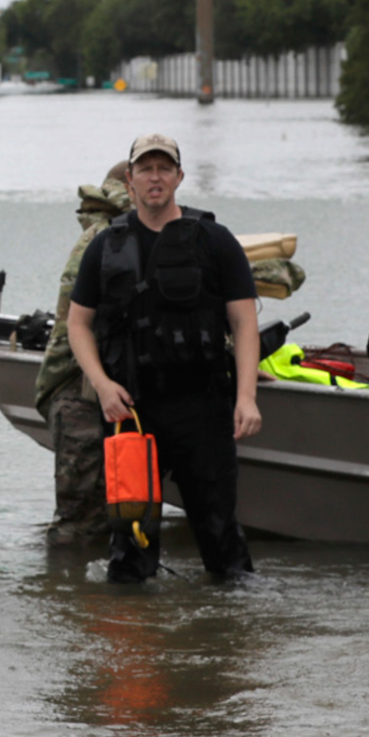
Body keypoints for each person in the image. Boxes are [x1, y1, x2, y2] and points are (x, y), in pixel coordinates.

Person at [66, 133, 261, 583]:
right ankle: (134, 641)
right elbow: (78, 325)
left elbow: (244, 323)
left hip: (204, 407)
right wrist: (100, 384)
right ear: (130, 180)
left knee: (221, 539)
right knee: (131, 541)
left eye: (164, 168)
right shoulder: (105, 246)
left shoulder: (214, 241)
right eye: (146, 169)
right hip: (131, 411)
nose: (155, 177)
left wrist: (246, 397)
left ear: (179, 177)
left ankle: (231, 639)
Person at [33, 162, 130, 547]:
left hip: (99, 393)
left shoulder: (114, 236)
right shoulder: (102, 240)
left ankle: (83, 600)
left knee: (116, 514)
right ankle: (69, 598)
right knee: (82, 525)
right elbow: (74, 325)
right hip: (81, 396)